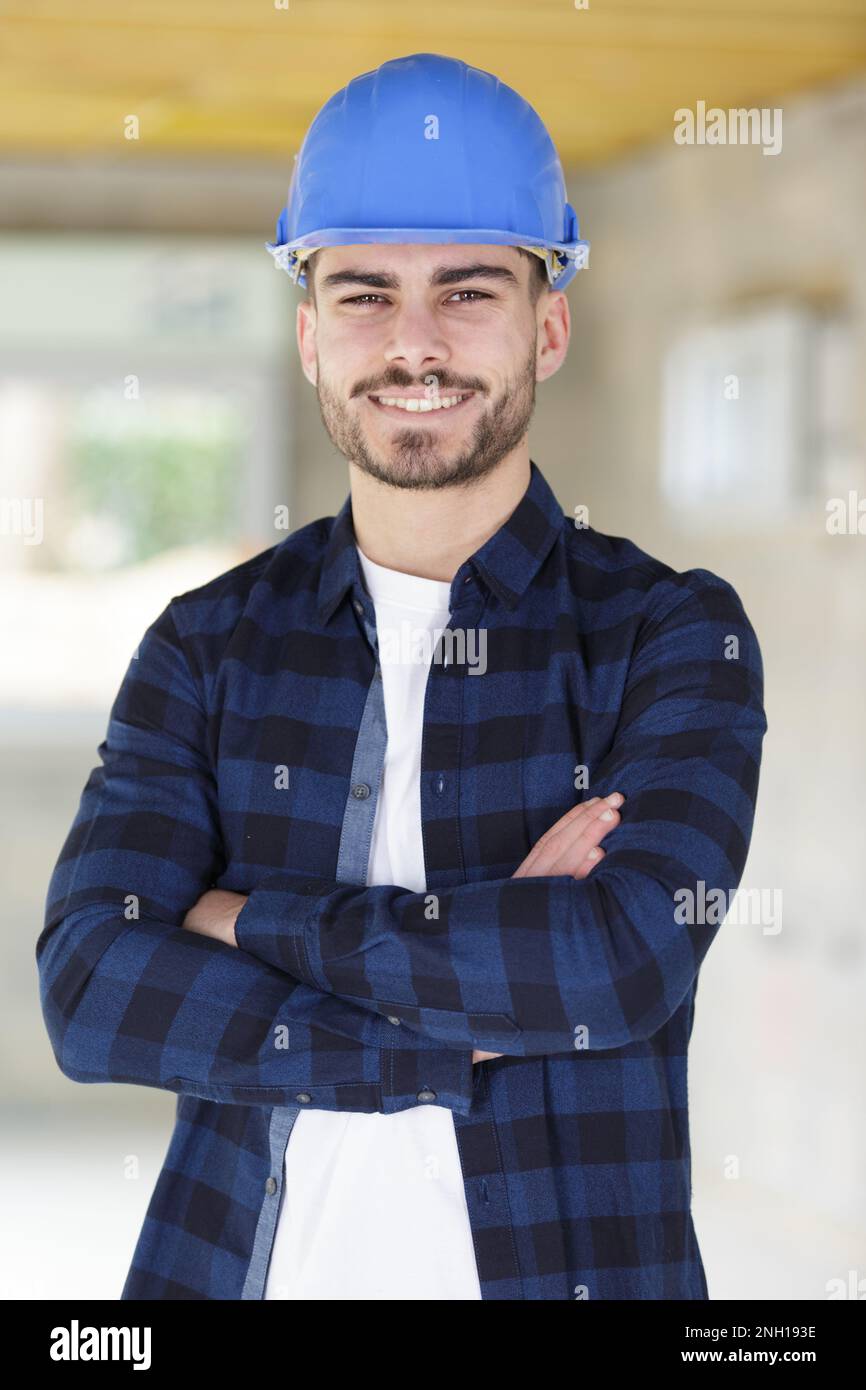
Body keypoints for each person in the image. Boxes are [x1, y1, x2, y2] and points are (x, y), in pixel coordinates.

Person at [37, 52, 766, 1301]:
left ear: (547, 325)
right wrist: (457, 1025)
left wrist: (247, 917)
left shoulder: (669, 633)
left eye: (466, 291)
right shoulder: (205, 645)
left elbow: (611, 962)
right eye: (364, 294)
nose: (414, 343)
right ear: (310, 334)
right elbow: (94, 990)